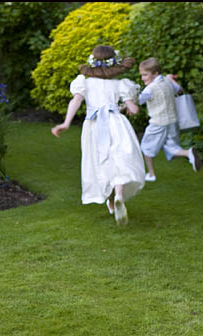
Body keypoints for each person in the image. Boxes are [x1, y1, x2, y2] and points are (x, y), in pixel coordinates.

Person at [52, 45, 145, 226]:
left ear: (92, 62)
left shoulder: (84, 82)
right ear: (114, 63)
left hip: (93, 126)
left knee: (101, 161)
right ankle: (117, 196)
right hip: (115, 123)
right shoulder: (120, 84)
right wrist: (132, 107)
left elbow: (76, 100)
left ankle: (112, 199)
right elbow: (133, 108)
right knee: (120, 158)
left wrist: (66, 123)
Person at [137, 57, 202, 182]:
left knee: (146, 147)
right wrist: (171, 79)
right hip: (172, 121)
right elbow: (180, 90)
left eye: (145, 75)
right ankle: (189, 154)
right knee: (171, 146)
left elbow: (139, 101)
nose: (142, 78)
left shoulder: (150, 89)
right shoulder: (167, 81)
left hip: (157, 122)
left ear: (155, 73)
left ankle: (151, 174)